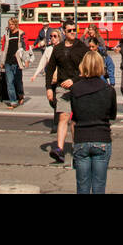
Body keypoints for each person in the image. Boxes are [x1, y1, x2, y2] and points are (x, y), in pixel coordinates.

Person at [69, 51, 116, 194]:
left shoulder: (75, 89)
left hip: (81, 138)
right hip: (101, 137)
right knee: (99, 186)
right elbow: (112, 115)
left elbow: (74, 115)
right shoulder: (108, 90)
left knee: (82, 186)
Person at [44, 21, 89, 164]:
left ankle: (77, 150)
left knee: (75, 120)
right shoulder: (58, 49)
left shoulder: (82, 48)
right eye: (69, 30)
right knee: (63, 117)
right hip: (62, 89)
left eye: (74, 30)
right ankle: (59, 149)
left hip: (79, 87)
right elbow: (50, 69)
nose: (73, 32)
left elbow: (87, 69)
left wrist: (74, 80)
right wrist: (49, 88)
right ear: (64, 32)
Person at [0, 18, 27, 108]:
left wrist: (26, 60)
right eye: (9, 24)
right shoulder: (7, 34)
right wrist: (2, 62)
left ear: (16, 24)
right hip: (8, 61)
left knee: (18, 81)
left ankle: (20, 95)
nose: (10, 26)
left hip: (17, 61)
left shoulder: (21, 33)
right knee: (9, 81)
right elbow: (4, 49)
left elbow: (24, 47)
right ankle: (13, 101)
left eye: (12, 24)